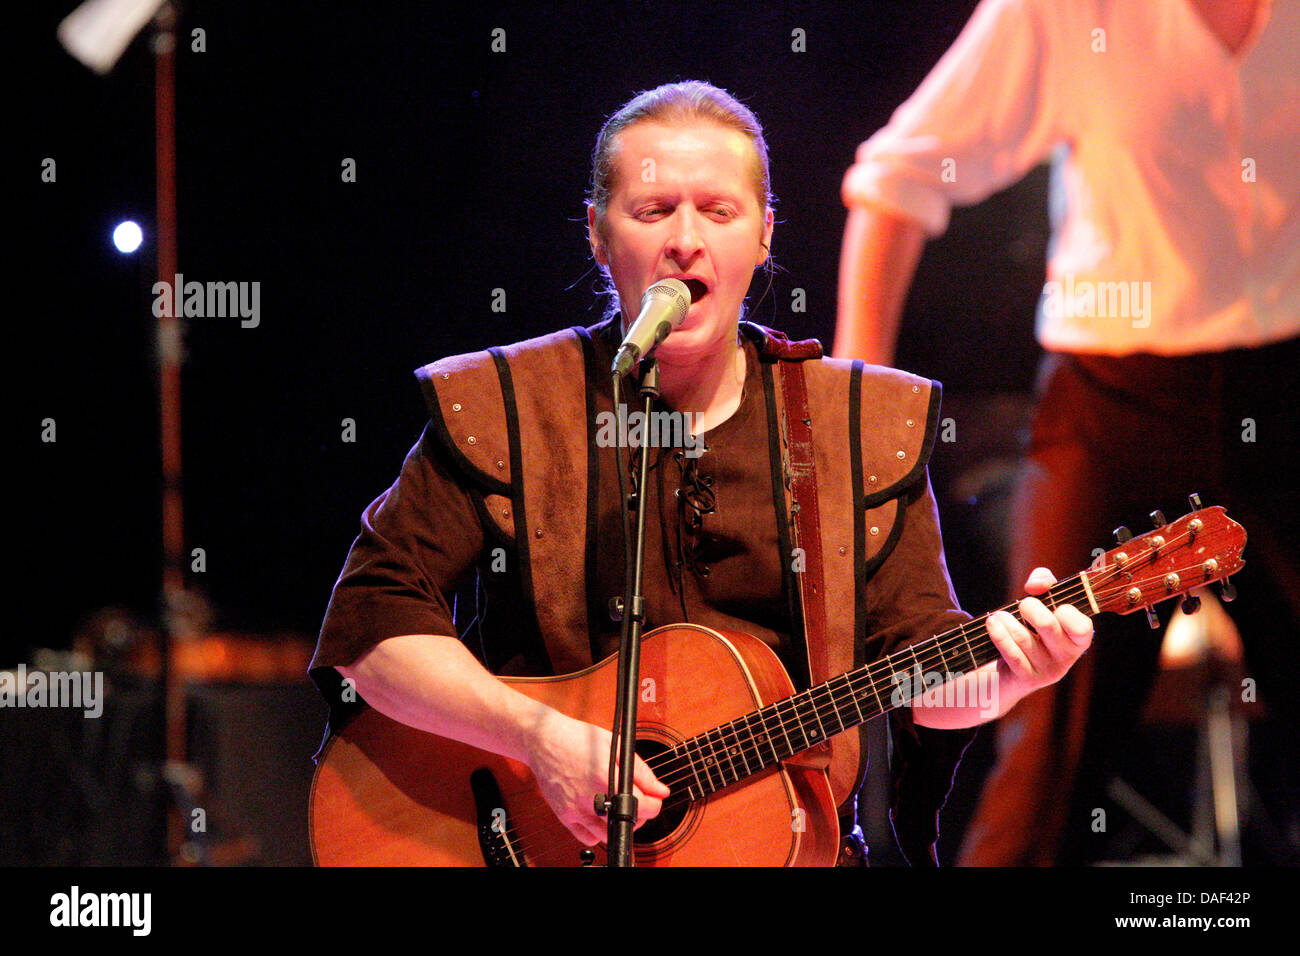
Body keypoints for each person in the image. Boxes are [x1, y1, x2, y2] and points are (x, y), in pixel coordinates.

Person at [309, 80, 1093, 865]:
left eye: (719, 212)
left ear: (763, 236)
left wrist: (1011, 678)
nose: (686, 240)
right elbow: (370, 624)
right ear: (596, 233)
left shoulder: (860, 425)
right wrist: (538, 736)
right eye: (653, 211)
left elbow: (923, 683)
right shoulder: (510, 404)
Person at [834, 0, 1299, 864]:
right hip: (1113, 399)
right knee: (1048, 740)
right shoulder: (1062, 13)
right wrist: (854, 409)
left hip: (1285, 384)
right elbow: (895, 181)